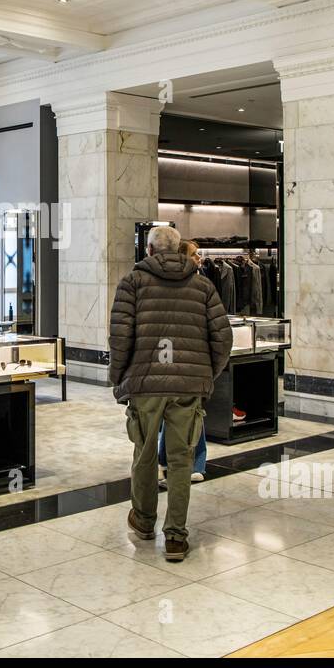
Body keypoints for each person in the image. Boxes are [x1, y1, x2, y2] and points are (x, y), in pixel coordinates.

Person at [110, 225, 233, 562]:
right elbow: (223, 339)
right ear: (178, 251)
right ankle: (176, 537)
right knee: (181, 459)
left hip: (146, 384)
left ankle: (145, 520)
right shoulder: (203, 286)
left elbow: (120, 338)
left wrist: (118, 377)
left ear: (148, 251)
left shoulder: (132, 284)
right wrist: (205, 375)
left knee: (145, 453)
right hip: (186, 387)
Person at [159, 240, 209, 488]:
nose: (199, 258)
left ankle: (193, 465)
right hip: (170, 365)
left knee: (191, 416)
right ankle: (167, 464)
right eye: (194, 254)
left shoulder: (202, 285)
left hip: (189, 365)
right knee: (171, 417)